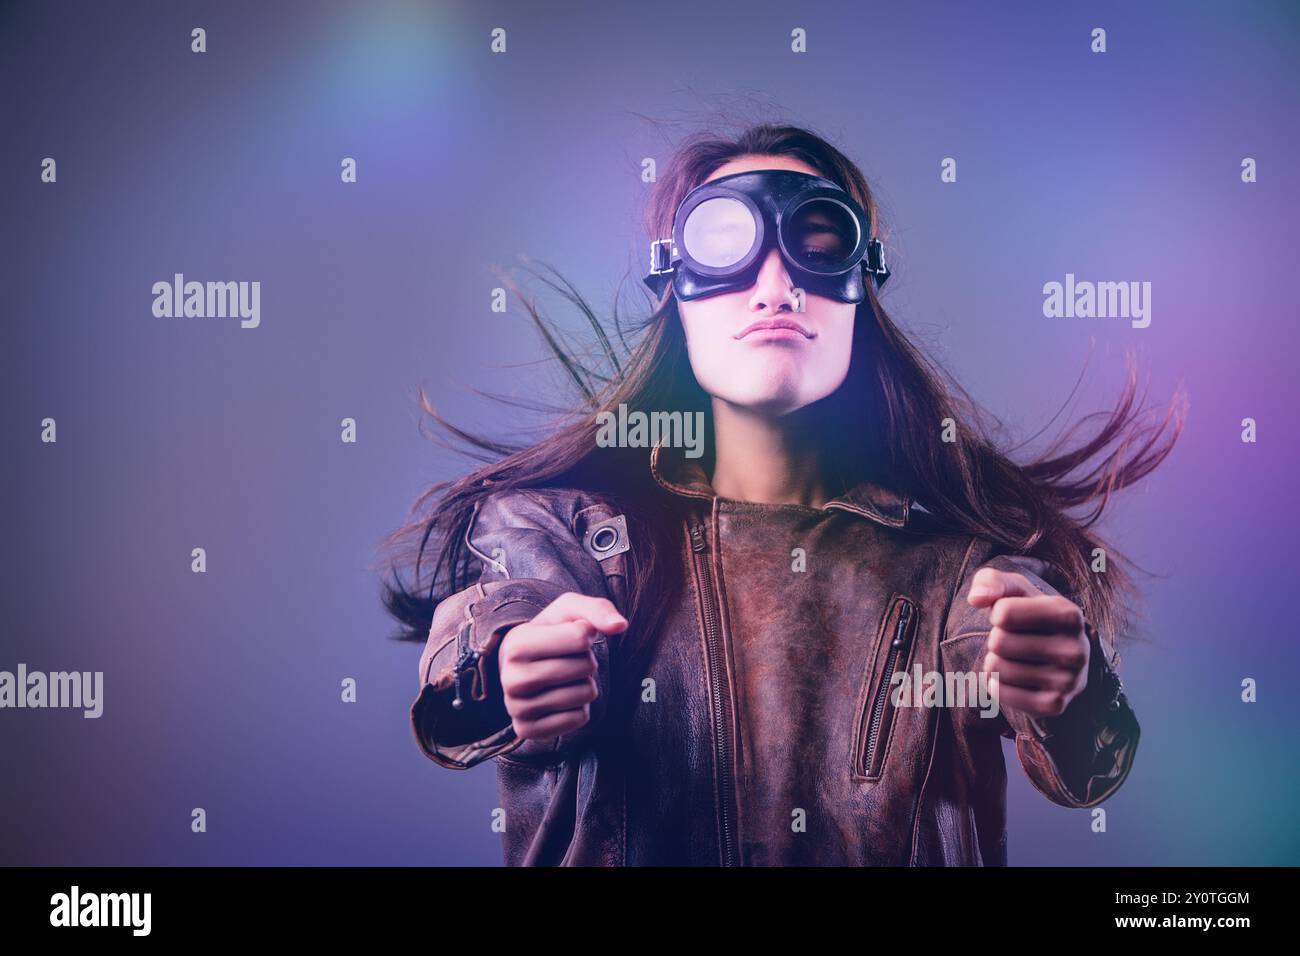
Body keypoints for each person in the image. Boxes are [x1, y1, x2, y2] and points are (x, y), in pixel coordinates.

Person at [378, 123, 1185, 866]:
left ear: (861, 291)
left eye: (817, 242)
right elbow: (500, 624)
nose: (774, 286)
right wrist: (502, 673)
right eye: (725, 244)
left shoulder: (956, 574)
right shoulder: (566, 537)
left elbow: (1082, 754)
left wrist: (1069, 688)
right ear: (675, 291)